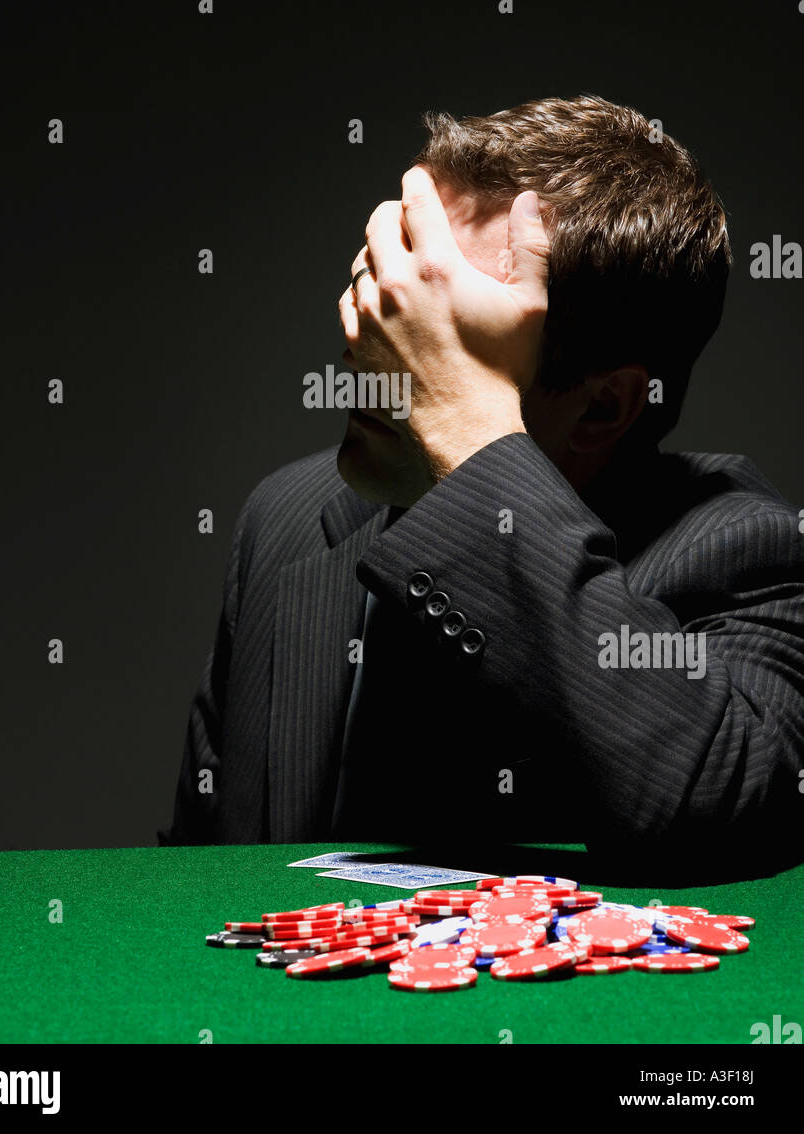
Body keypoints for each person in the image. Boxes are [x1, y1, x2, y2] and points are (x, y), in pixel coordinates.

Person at [159, 94, 804, 877]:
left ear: (603, 405)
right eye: (395, 300)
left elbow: (710, 806)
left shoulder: (743, 548)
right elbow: (191, 875)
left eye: (446, 336)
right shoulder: (287, 519)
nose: (368, 356)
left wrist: (471, 431)